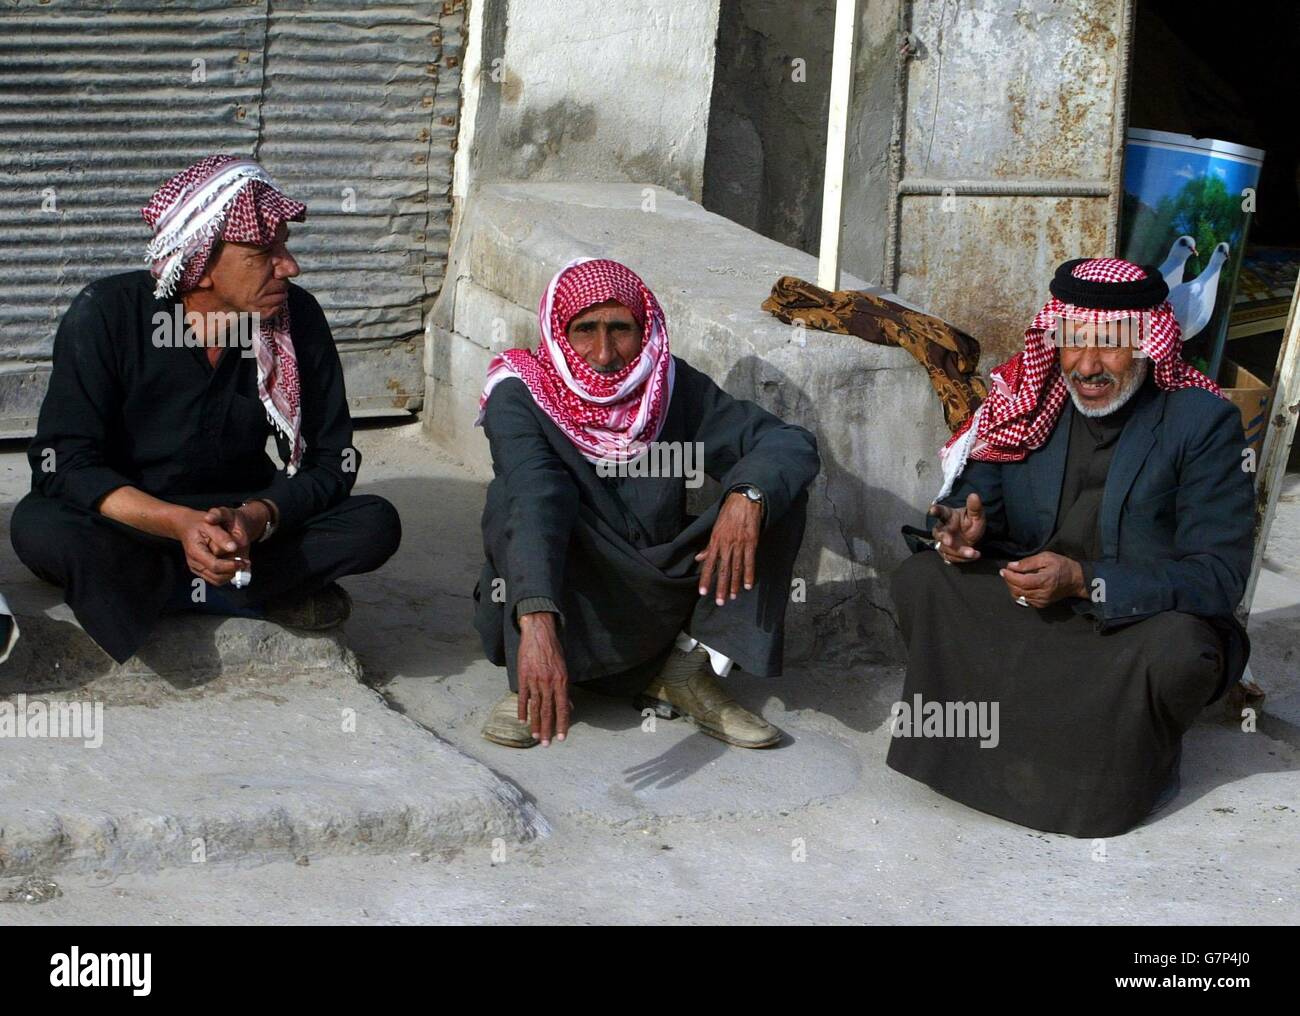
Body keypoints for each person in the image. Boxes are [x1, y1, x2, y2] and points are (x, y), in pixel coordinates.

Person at [888, 257, 1253, 837]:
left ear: (1145, 343)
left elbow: (1218, 576)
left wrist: (1086, 580)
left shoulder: (1201, 423)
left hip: (1130, 622)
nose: (1087, 365)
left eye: (1108, 346)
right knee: (925, 581)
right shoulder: (1030, 403)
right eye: (1073, 342)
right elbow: (979, 506)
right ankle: (977, 741)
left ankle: (1109, 778)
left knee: (1182, 652)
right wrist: (959, 531)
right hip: (1033, 601)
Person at [10, 155, 400, 664]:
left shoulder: (296, 318)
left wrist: (254, 518)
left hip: (239, 520)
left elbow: (330, 462)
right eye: (264, 251)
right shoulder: (107, 314)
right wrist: (177, 524)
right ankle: (244, 593)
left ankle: (163, 593)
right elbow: (62, 462)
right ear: (203, 263)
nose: (289, 266)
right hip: (136, 519)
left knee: (376, 523)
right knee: (39, 526)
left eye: (284, 247)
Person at [474, 257, 820, 749]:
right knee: (511, 499)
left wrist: (748, 497)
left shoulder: (668, 385)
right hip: (567, 584)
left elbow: (785, 441)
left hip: (651, 580)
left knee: (775, 491)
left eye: (621, 330)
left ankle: (686, 670)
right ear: (557, 331)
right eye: (585, 330)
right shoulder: (520, 393)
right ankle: (531, 678)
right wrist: (535, 621)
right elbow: (533, 498)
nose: (603, 353)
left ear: (646, 328)